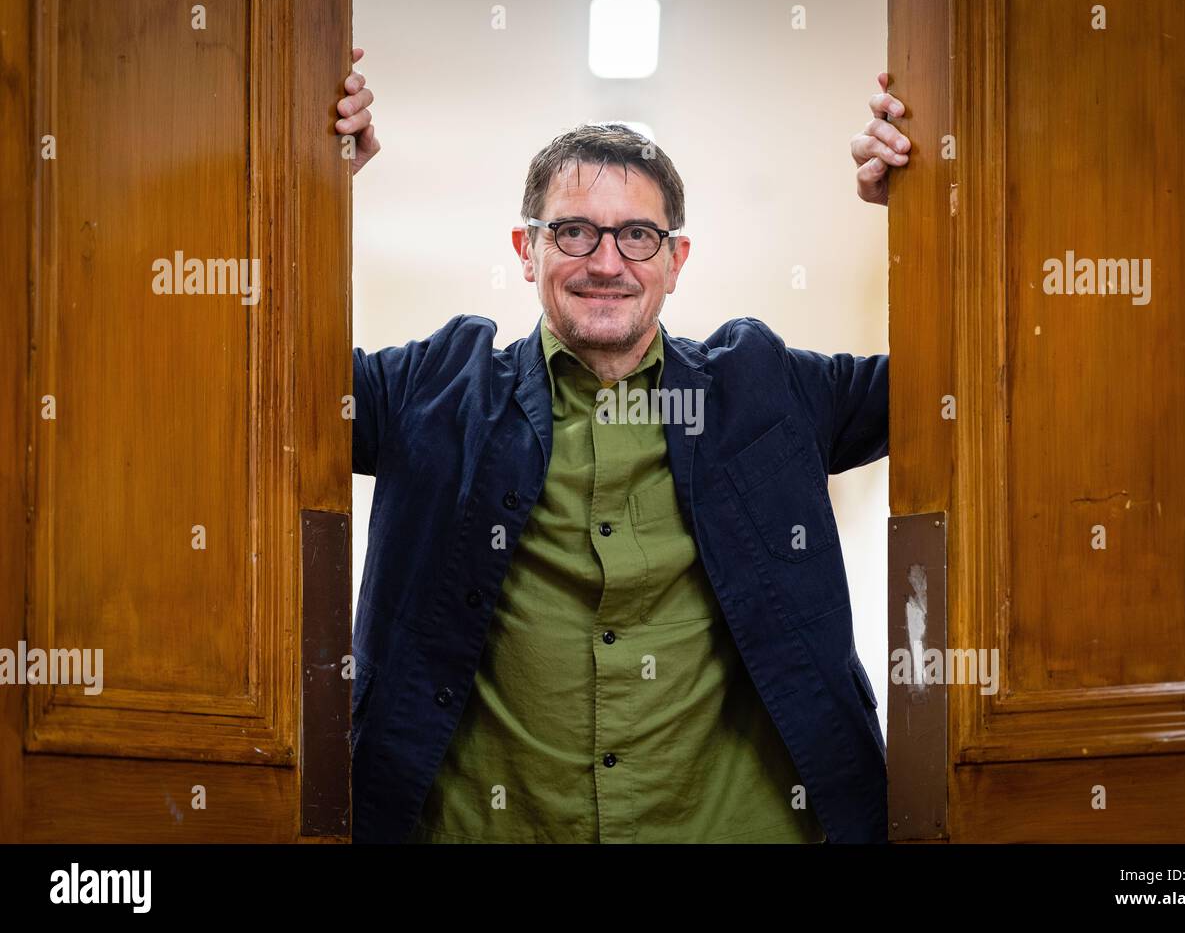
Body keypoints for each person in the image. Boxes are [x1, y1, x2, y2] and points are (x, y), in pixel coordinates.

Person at [335, 48, 913, 843]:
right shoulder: (430, 395)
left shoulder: (765, 391)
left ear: (676, 260)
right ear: (526, 249)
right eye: (573, 232)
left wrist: (923, 201)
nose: (606, 262)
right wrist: (311, 173)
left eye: (638, 236)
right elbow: (255, 385)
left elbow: (966, 389)